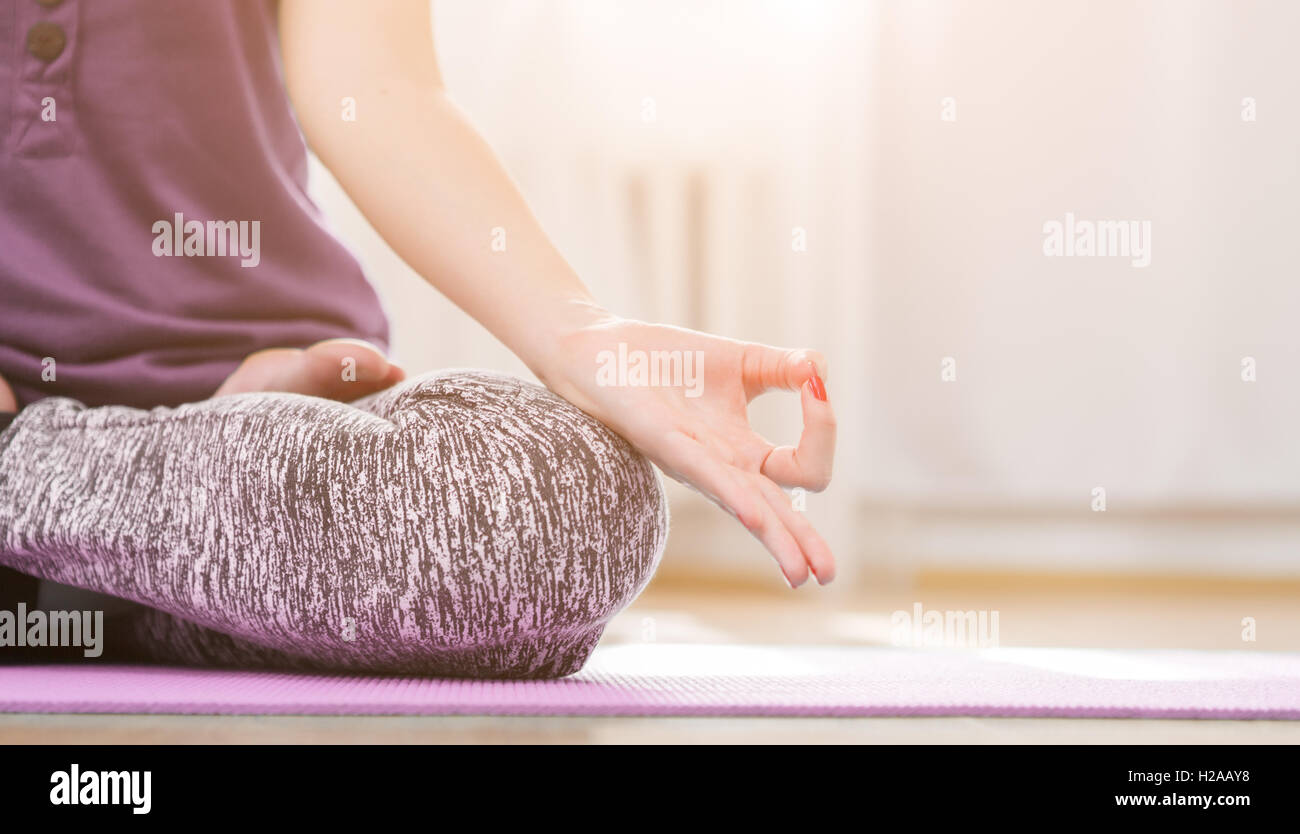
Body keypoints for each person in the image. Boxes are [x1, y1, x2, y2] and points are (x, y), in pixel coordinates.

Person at [0, 0, 835, 677]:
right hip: (166, 468)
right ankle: (99, 545)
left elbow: (377, 84)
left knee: (558, 499)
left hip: (264, 427)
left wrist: (584, 336)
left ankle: (49, 567)